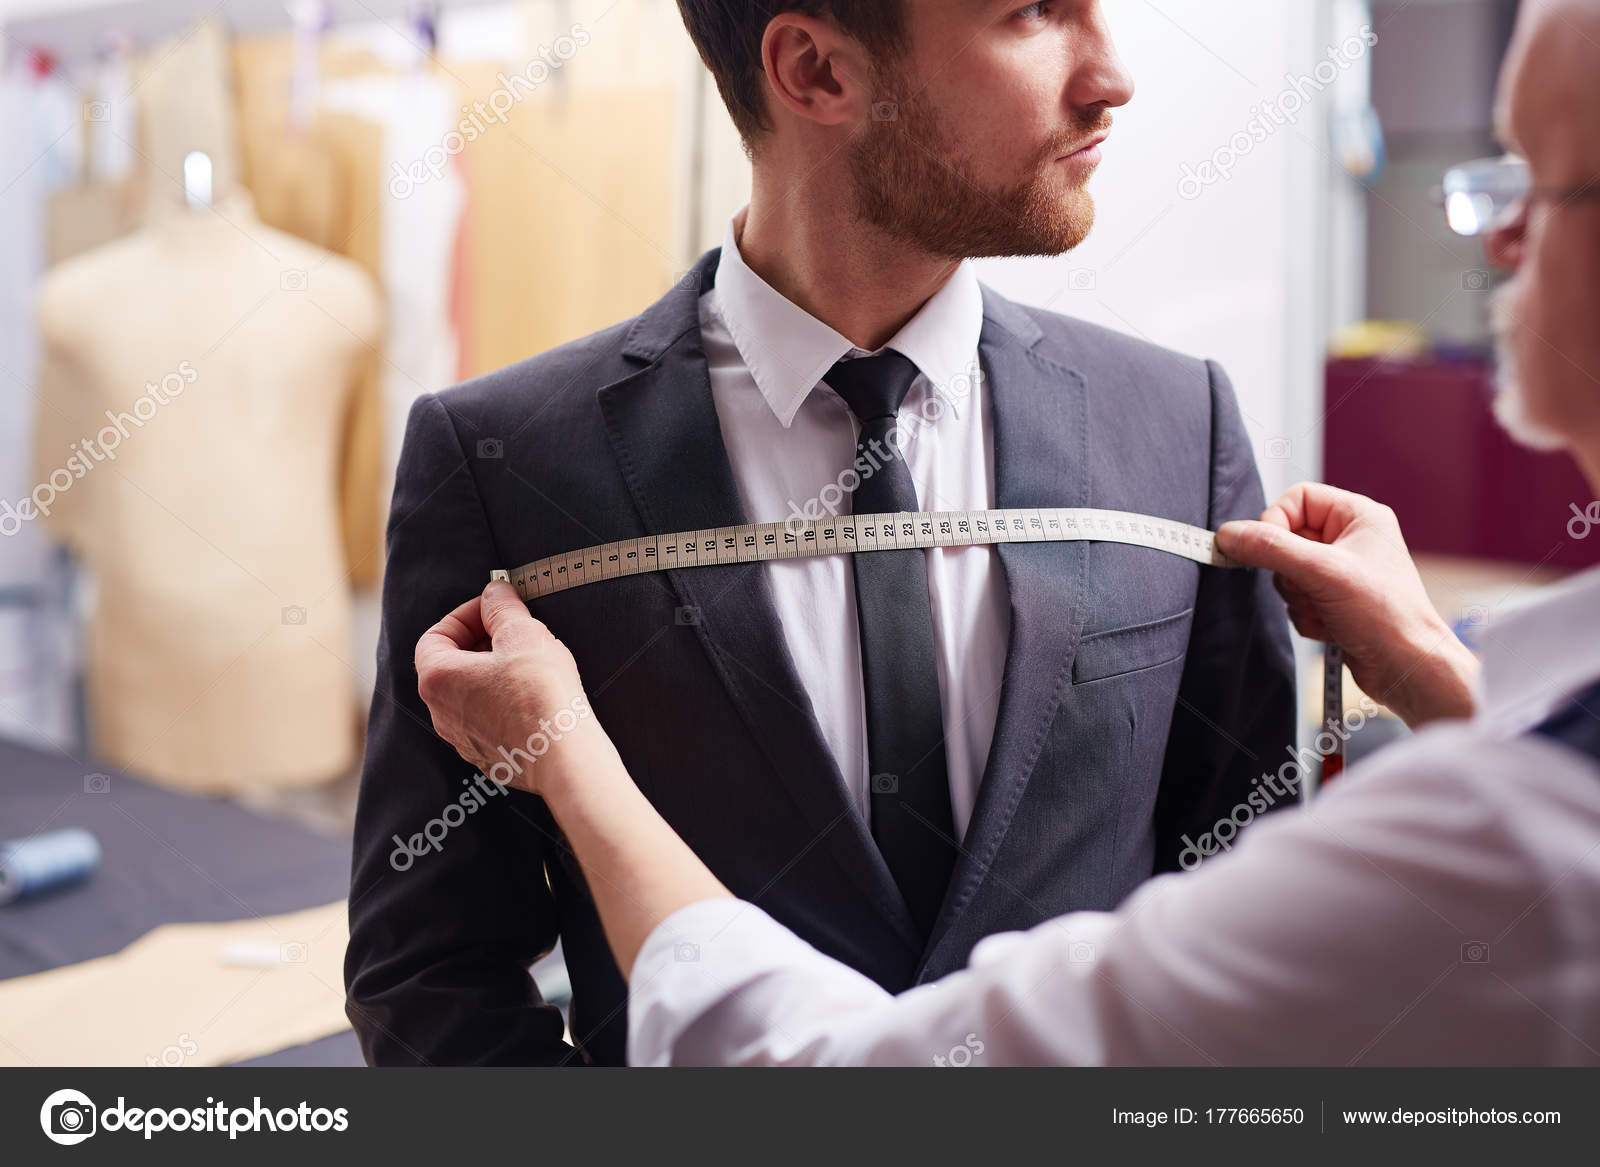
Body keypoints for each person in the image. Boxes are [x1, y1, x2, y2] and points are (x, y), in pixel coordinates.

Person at [411, 0, 1600, 1065]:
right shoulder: (509, 454)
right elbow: (433, 977)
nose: (1113, 75)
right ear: (816, 71)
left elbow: (1251, 911)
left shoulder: (1174, 423)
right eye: (1035, 12)